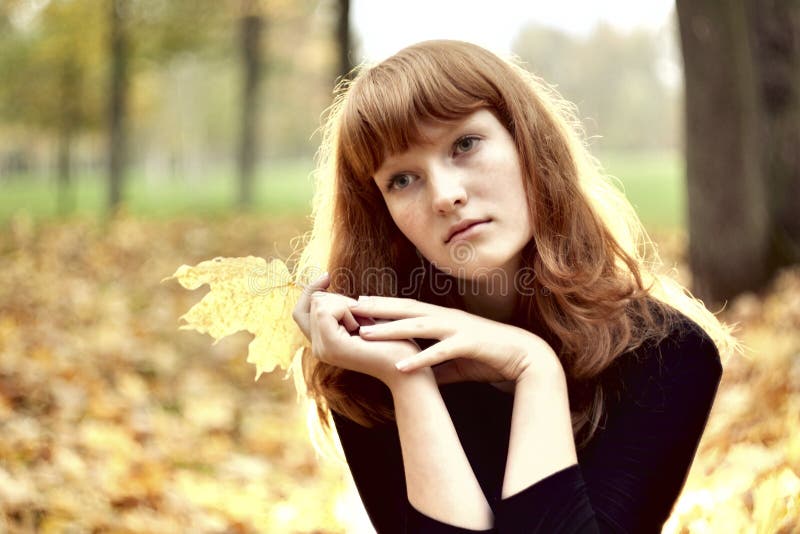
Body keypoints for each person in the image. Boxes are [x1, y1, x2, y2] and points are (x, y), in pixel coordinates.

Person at [289, 40, 735, 533]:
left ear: (527, 143)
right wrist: (406, 379)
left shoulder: (668, 355)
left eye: (464, 144)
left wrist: (532, 366)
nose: (446, 195)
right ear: (382, 214)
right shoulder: (367, 369)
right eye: (402, 179)